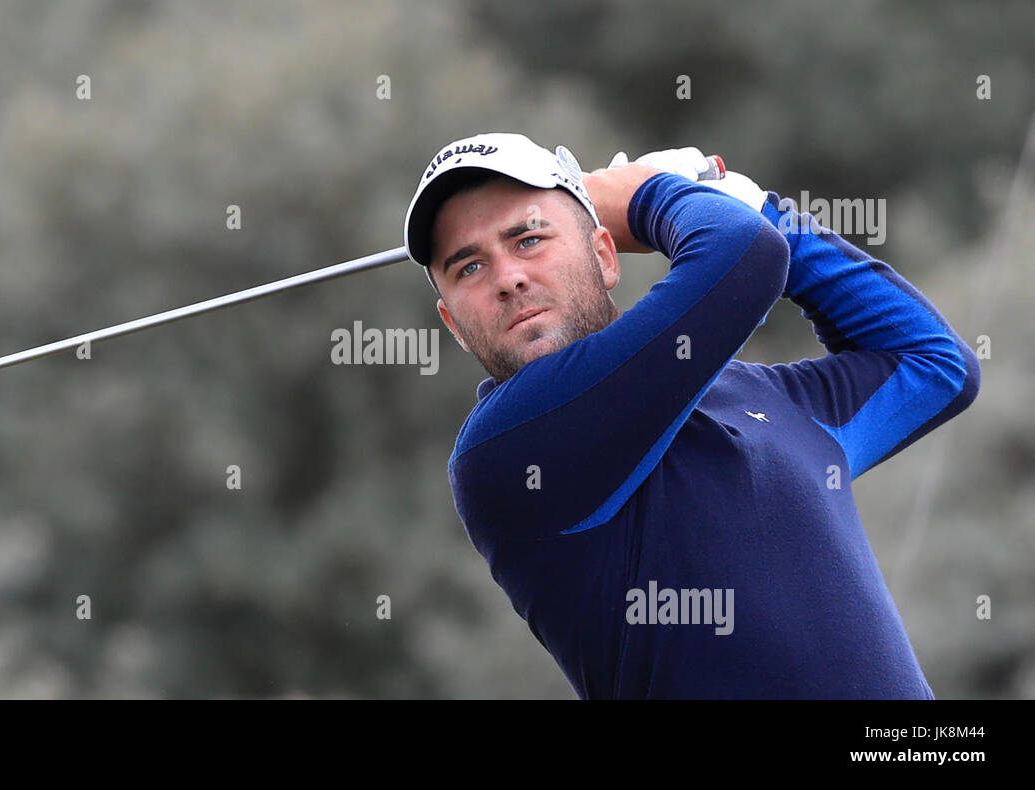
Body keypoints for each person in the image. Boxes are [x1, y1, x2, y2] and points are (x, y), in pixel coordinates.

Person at [402, 132, 980, 699]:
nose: (508, 278)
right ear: (452, 325)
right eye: (469, 268)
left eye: (527, 239)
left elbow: (935, 364)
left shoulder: (756, 396)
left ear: (604, 256)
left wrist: (762, 209)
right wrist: (648, 196)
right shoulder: (505, 454)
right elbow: (744, 254)